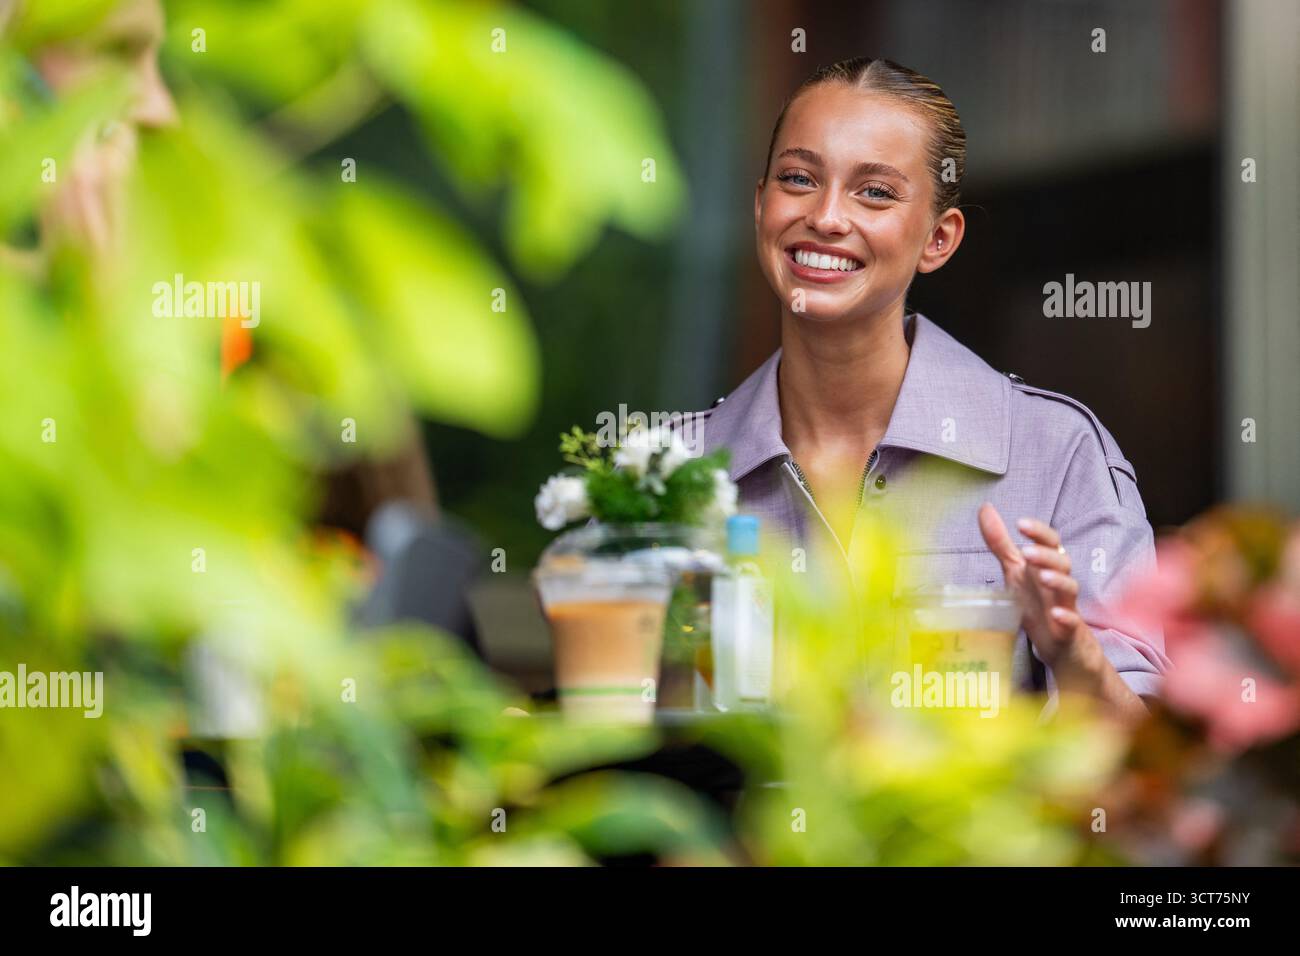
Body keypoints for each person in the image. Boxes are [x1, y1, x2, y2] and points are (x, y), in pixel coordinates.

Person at [693, 57, 1168, 723]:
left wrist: (1069, 650)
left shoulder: (1055, 453)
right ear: (761, 203)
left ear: (938, 240)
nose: (827, 217)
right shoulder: (675, 468)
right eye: (799, 179)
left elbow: (1150, 757)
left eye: (876, 193)